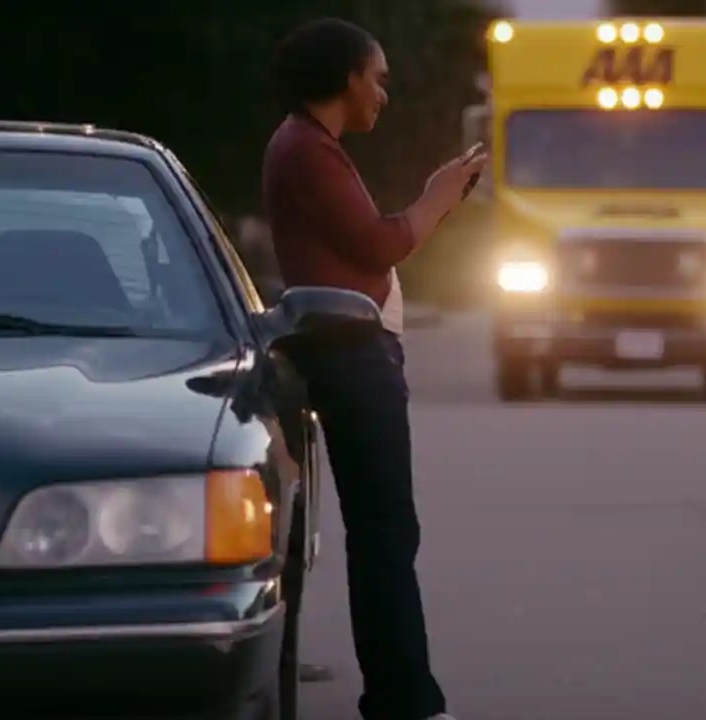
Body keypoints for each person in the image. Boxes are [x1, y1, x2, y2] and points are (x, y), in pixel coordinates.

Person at [261, 17, 486, 720]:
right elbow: (380, 243)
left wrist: (436, 201)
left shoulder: (311, 147)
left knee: (384, 529)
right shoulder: (307, 150)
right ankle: (402, 698)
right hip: (350, 356)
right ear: (347, 77)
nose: (383, 93)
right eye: (378, 78)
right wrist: (438, 197)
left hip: (356, 350)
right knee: (386, 529)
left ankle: (397, 690)